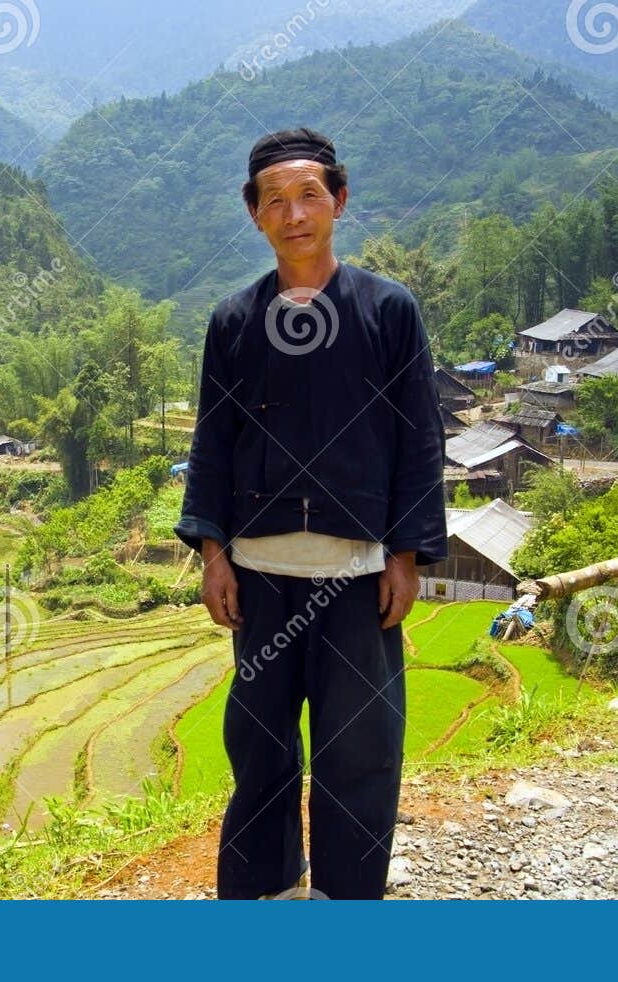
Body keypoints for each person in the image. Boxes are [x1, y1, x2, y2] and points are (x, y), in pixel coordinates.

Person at [174, 127, 449, 900]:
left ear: (339, 200)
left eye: (308, 195)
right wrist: (214, 554)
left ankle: (344, 900)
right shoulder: (234, 321)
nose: (294, 214)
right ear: (254, 214)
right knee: (259, 749)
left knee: (358, 750)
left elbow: (418, 435)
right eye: (275, 201)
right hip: (260, 578)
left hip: (359, 580)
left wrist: (405, 555)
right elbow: (214, 439)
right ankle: (266, 895)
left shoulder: (388, 312)